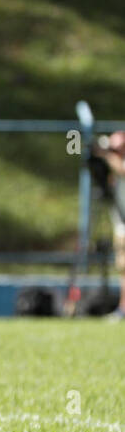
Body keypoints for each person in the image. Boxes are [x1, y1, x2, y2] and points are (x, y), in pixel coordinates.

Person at [91, 131, 125, 321]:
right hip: (121, 223)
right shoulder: (113, 166)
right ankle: (123, 307)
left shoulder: (118, 163)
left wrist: (106, 154)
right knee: (123, 268)